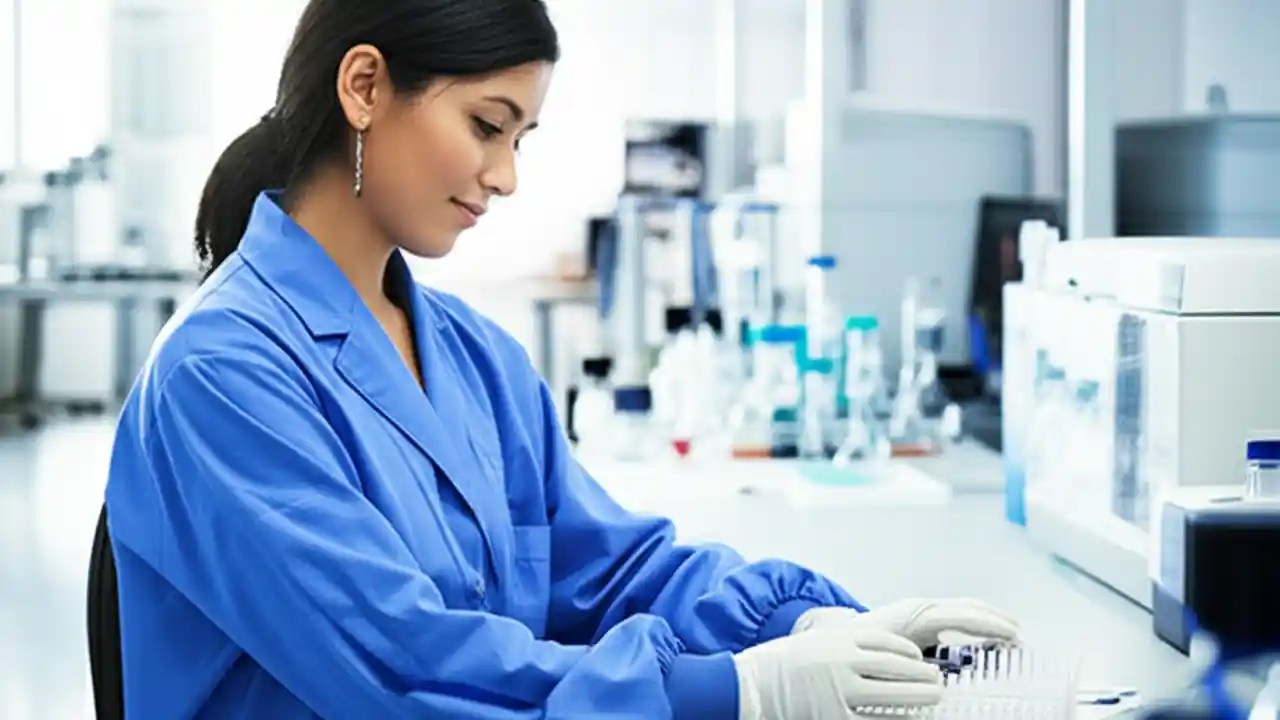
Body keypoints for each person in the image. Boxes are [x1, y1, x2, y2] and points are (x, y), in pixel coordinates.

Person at [104, 1, 1020, 717]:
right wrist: (743, 692)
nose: (505, 176)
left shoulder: (471, 356)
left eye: (520, 139)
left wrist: (814, 623)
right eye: (486, 125)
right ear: (365, 87)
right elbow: (402, 673)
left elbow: (613, 573)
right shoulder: (220, 376)